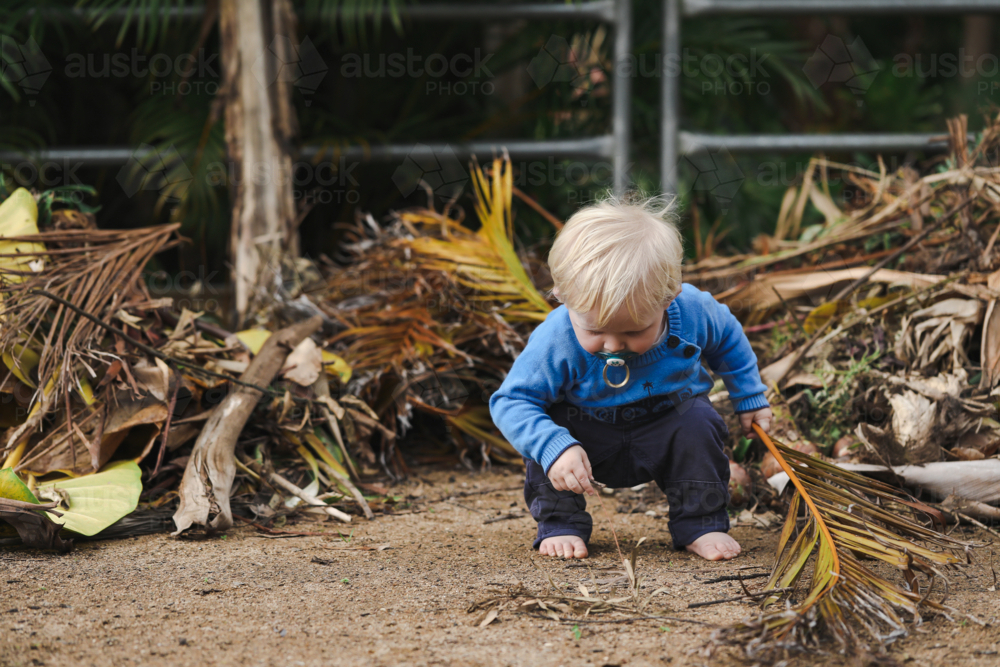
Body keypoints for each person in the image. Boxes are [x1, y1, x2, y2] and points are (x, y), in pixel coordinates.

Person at [489, 194, 772, 561]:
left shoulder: (694, 310)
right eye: (595, 331)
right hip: (586, 433)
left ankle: (700, 523)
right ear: (561, 297)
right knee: (550, 429)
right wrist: (553, 447)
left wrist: (749, 395)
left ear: (669, 298)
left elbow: (728, 339)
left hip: (667, 422)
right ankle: (561, 523)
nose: (612, 346)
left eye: (633, 332)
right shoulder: (556, 340)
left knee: (699, 422)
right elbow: (512, 401)